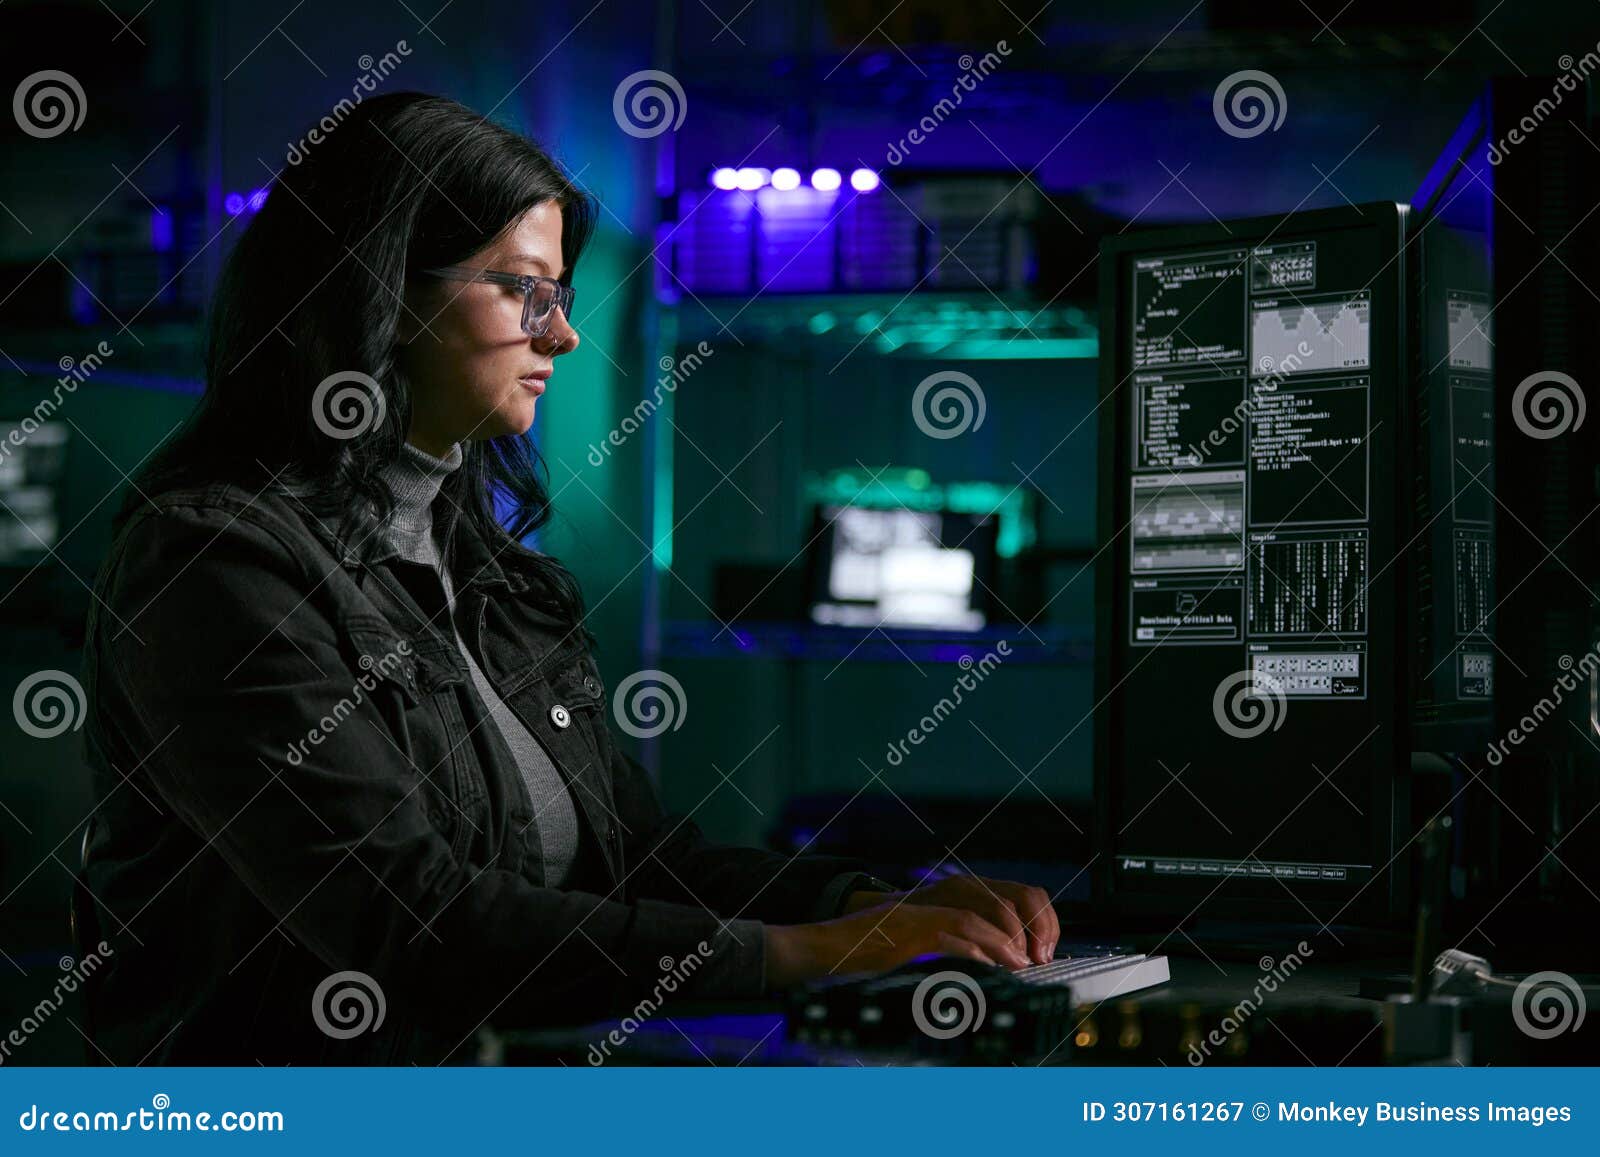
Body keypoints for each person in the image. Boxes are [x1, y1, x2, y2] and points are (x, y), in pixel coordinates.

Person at [80, 93, 1059, 1065]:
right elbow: (405, 920)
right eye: (523, 289)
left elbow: (633, 859)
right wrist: (811, 954)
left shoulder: (494, 575)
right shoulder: (211, 562)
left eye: (561, 296)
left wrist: (860, 902)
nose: (563, 337)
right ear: (373, 289)